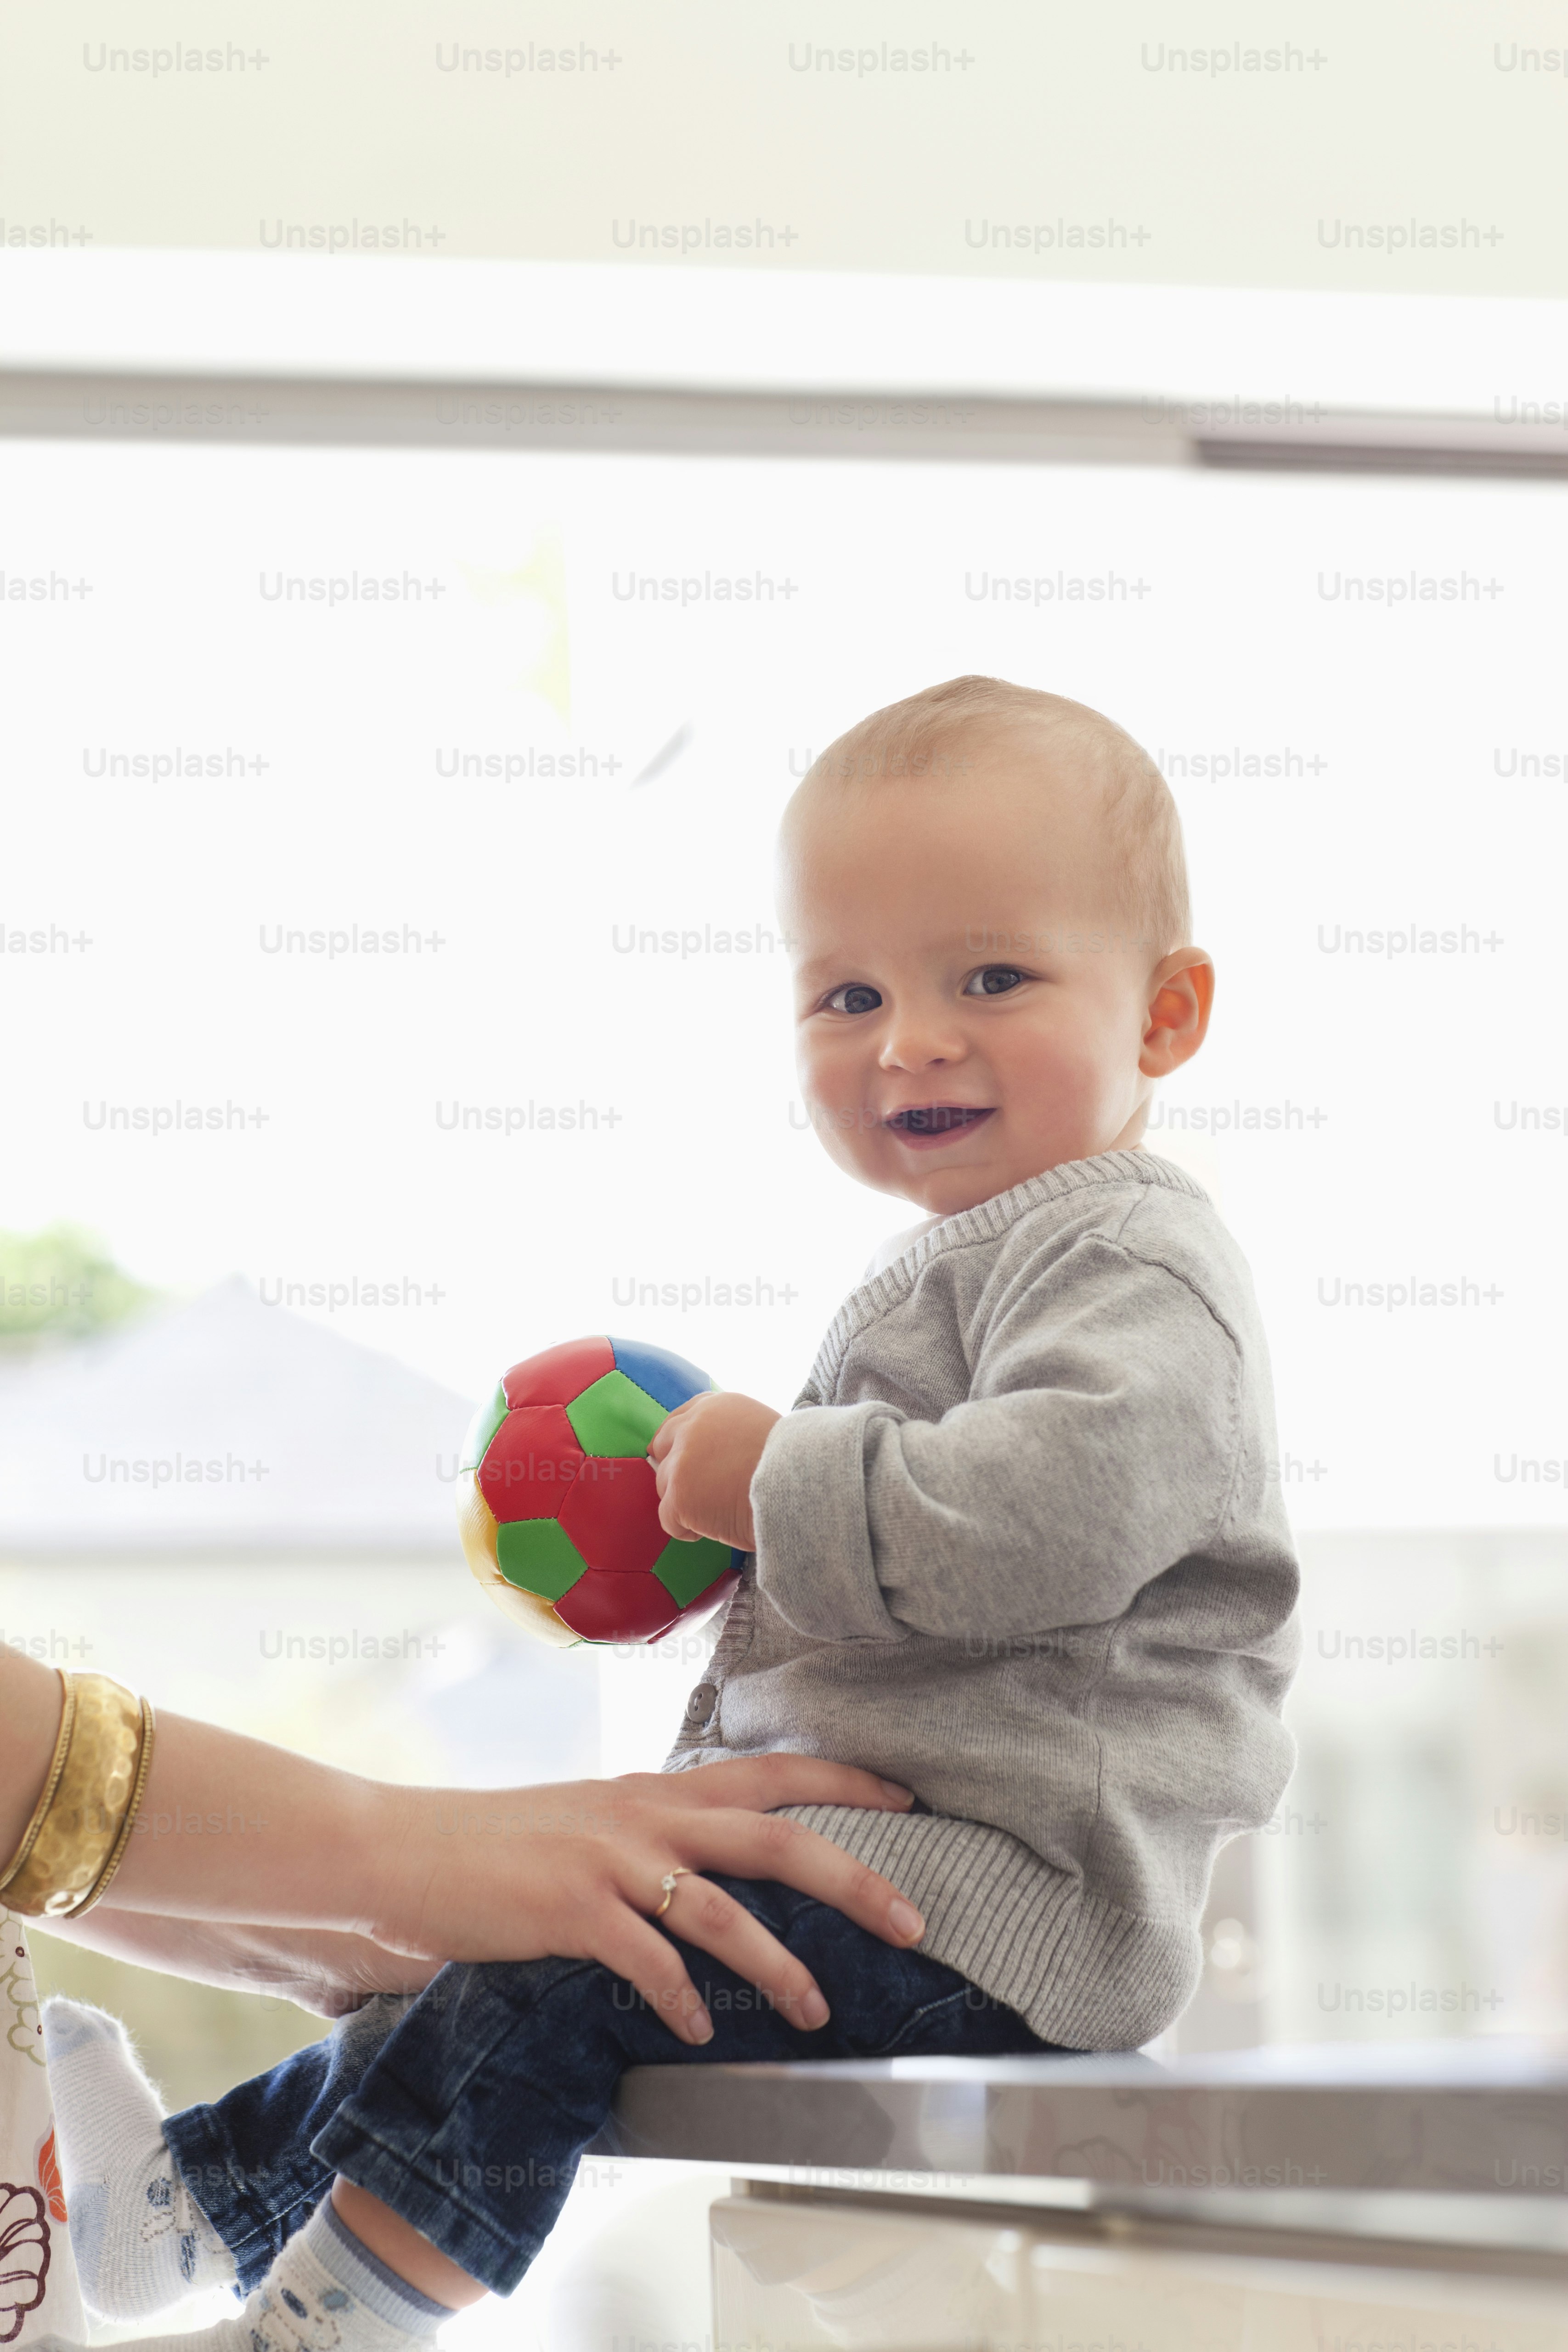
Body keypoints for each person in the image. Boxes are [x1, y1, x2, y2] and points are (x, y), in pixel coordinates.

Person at [34, 675, 1301, 2352]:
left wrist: (773, 1484)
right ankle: (175, 2210)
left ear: (1166, 1013)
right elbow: (948, 1597)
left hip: (1009, 1910)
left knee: (577, 1962)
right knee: (510, 1948)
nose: (910, 1038)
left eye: (991, 977)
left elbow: (1051, 1522)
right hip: (890, 1873)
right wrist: (738, 1564)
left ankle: (322, 2321)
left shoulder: (1129, 1260)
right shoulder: (988, 1252)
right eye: (848, 993)